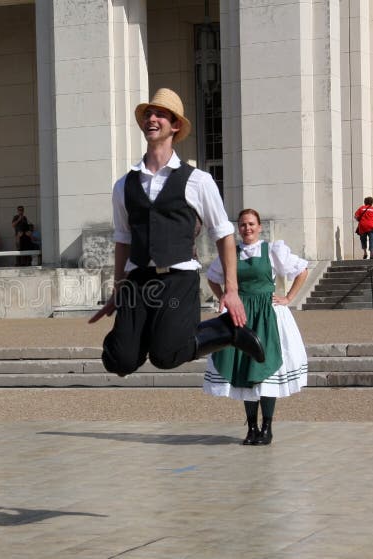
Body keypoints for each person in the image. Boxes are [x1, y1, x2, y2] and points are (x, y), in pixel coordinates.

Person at [89, 88, 264, 377]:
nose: (152, 119)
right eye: (148, 114)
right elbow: (123, 239)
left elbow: (223, 235)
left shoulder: (198, 181)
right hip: (137, 281)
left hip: (178, 279)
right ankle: (143, 335)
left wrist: (231, 290)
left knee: (166, 355)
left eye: (160, 114)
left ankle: (227, 331)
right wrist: (118, 287)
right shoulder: (124, 185)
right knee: (119, 360)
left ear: (176, 125)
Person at [203, 209, 309, 446]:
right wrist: (224, 297)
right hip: (241, 314)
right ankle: (251, 427)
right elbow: (212, 276)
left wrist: (288, 298)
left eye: (251, 224)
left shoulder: (272, 250)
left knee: (266, 369)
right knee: (244, 368)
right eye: (243, 224)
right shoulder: (231, 253)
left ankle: (267, 427)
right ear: (238, 228)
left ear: (259, 227)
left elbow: (302, 270)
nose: (247, 228)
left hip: (267, 315)